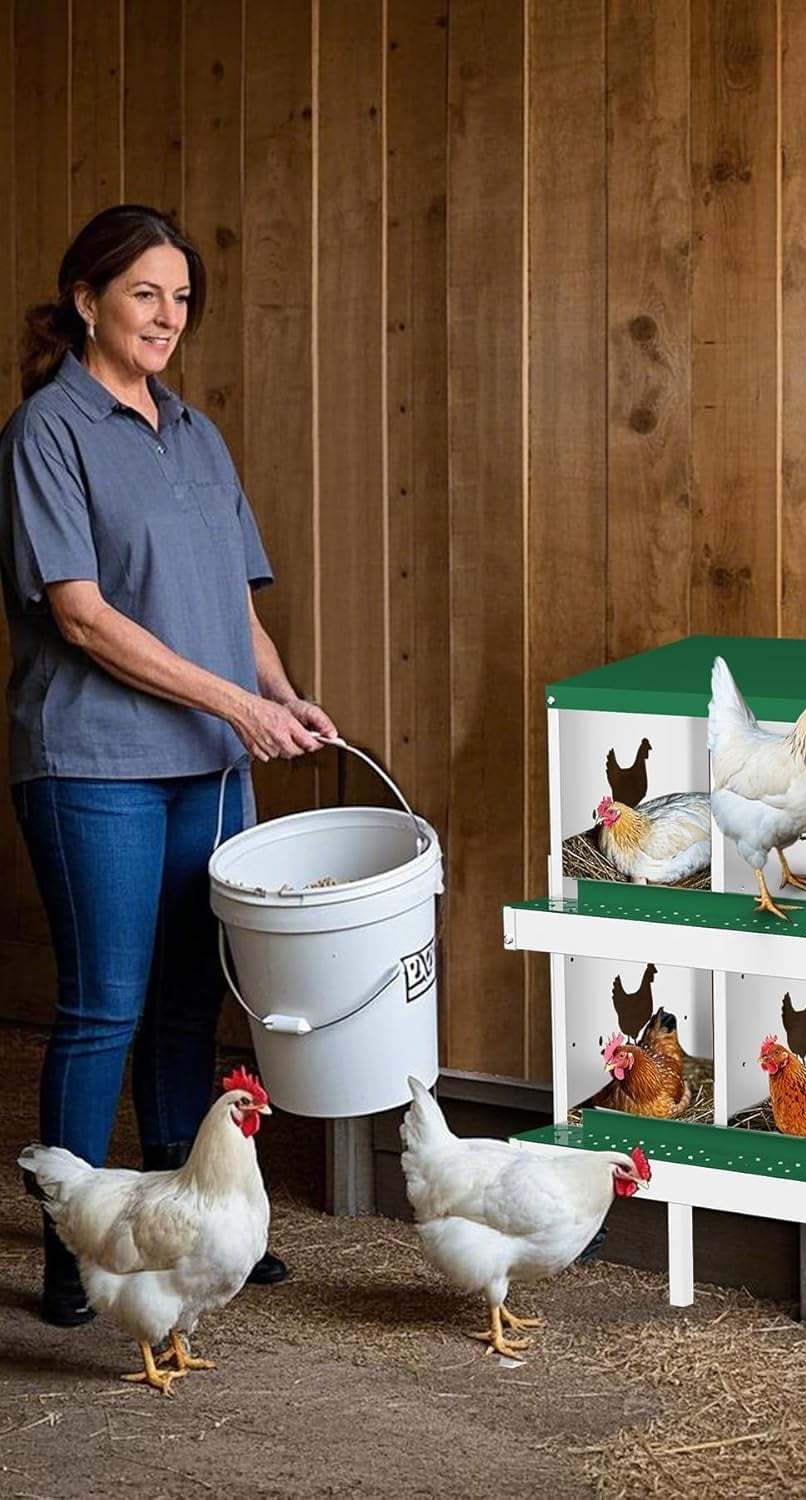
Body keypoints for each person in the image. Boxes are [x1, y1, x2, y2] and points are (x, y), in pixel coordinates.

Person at [0, 204, 336, 1325]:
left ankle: (190, 1240)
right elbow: (83, 617)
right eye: (144, 293)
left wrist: (281, 697)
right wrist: (238, 705)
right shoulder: (48, 430)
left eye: (181, 297)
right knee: (106, 1005)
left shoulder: (194, 433)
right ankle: (69, 1249)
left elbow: (233, 603)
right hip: (94, 762)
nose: (167, 316)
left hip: (206, 763)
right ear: (86, 300)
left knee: (192, 1005)